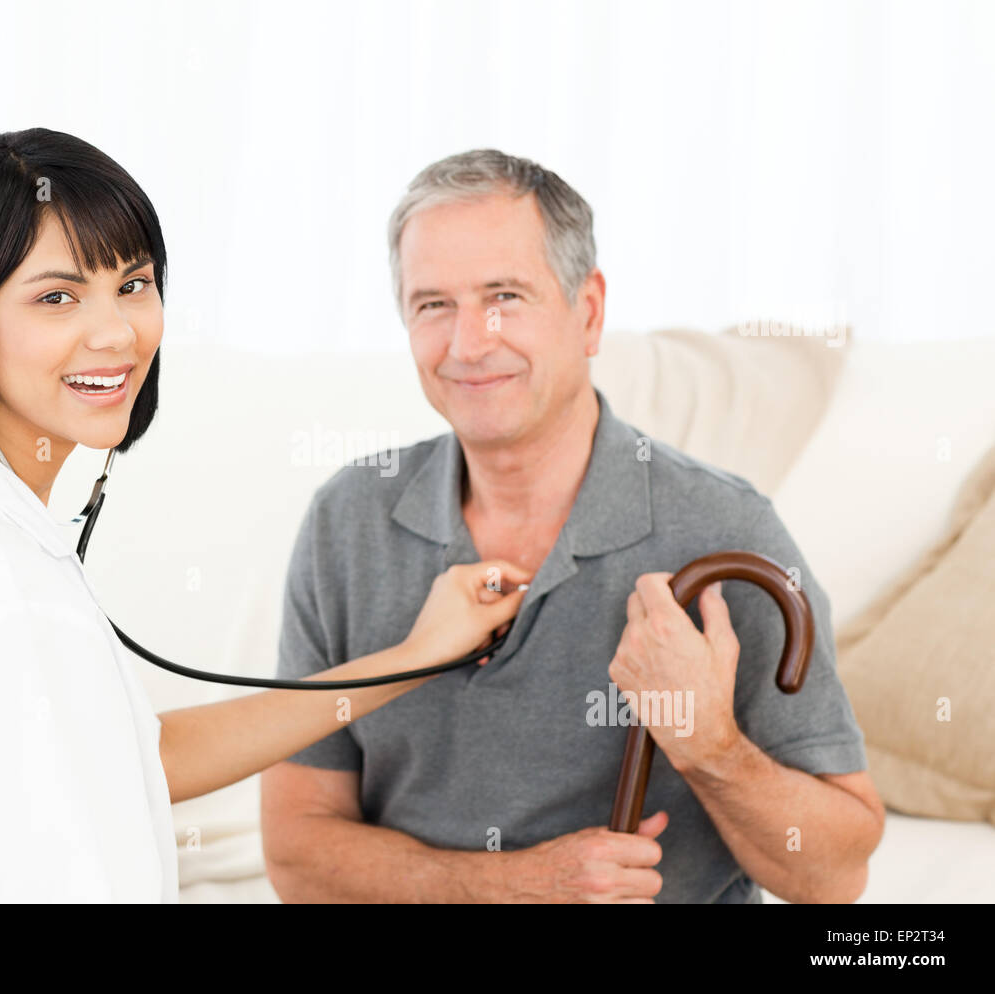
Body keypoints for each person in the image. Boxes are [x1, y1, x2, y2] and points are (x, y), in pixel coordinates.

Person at [0, 128, 529, 903]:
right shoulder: (6, 602)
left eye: (133, 283)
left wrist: (414, 655)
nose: (117, 333)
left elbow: (120, 759)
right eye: (56, 297)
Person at [260, 148, 885, 904]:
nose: (468, 343)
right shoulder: (348, 521)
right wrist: (516, 885)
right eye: (432, 305)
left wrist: (709, 746)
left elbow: (833, 874)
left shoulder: (723, 529)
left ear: (587, 313)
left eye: (504, 296)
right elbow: (297, 853)